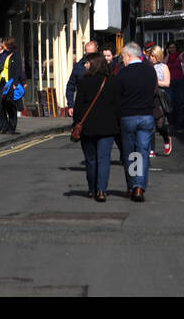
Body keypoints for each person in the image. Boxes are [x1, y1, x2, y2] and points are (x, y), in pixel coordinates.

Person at [72, 53, 121, 201]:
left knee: (91, 159)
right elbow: (117, 106)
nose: (85, 65)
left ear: (93, 64)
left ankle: (92, 189)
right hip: (108, 126)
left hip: (88, 127)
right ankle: (101, 191)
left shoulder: (83, 82)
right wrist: (117, 123)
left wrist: (76, 122)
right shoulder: (112, 81)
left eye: (87, 63)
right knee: (104, 159)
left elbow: (78, 106)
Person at [115, 41, 157, 202]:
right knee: (142, 152)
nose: (123, 60)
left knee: (131, 153)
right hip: (146, 115)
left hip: (128, 117)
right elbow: (154, 91)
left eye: (123, 57)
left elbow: (117, 97)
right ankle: (139, 187)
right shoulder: (150, 71)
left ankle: (132, 186)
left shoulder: (122, 74)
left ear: (128, 55)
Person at [65, 39, 98, 115]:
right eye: (88, 53)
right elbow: (70, 86)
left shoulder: (102, 66)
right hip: (82, 106)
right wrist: (70, 105)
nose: (90, 56)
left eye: (92, 53)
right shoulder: (79, 67)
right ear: (85, 52)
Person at [0, 36, 24, 134]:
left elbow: (18, 70)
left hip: (11, 83)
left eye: (3, 43)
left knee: (11, 104)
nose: (2, 45)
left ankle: (12, 126)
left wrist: (15, 83)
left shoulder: (16, 55)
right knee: (2, 103)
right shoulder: (5, 54)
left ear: (8, 44)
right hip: (4, 83)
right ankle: (5, 126)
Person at [149, 45, 172, 156]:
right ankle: (151, 149)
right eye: (150, 56)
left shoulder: (164, 67)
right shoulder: (148, 67)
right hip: (150, 97)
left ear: (158, 56)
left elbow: (167, 83)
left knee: (160, 125)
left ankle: (166, 138)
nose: (151, 58)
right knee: (151, 124)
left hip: (160, 97)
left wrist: (155, 82)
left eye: (153, 56)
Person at [165, 43, 184, 135]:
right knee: (170, 103)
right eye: (169, 47)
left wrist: (182, 60)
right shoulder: (167, 57)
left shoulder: (182, 55)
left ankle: (180, 125)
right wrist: (167, 55)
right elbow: (163, 64)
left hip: (181, 82)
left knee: (181, 103)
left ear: (177, 48)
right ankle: (172, 124)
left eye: (173, 47)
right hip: (170, 82)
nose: (172, 49)